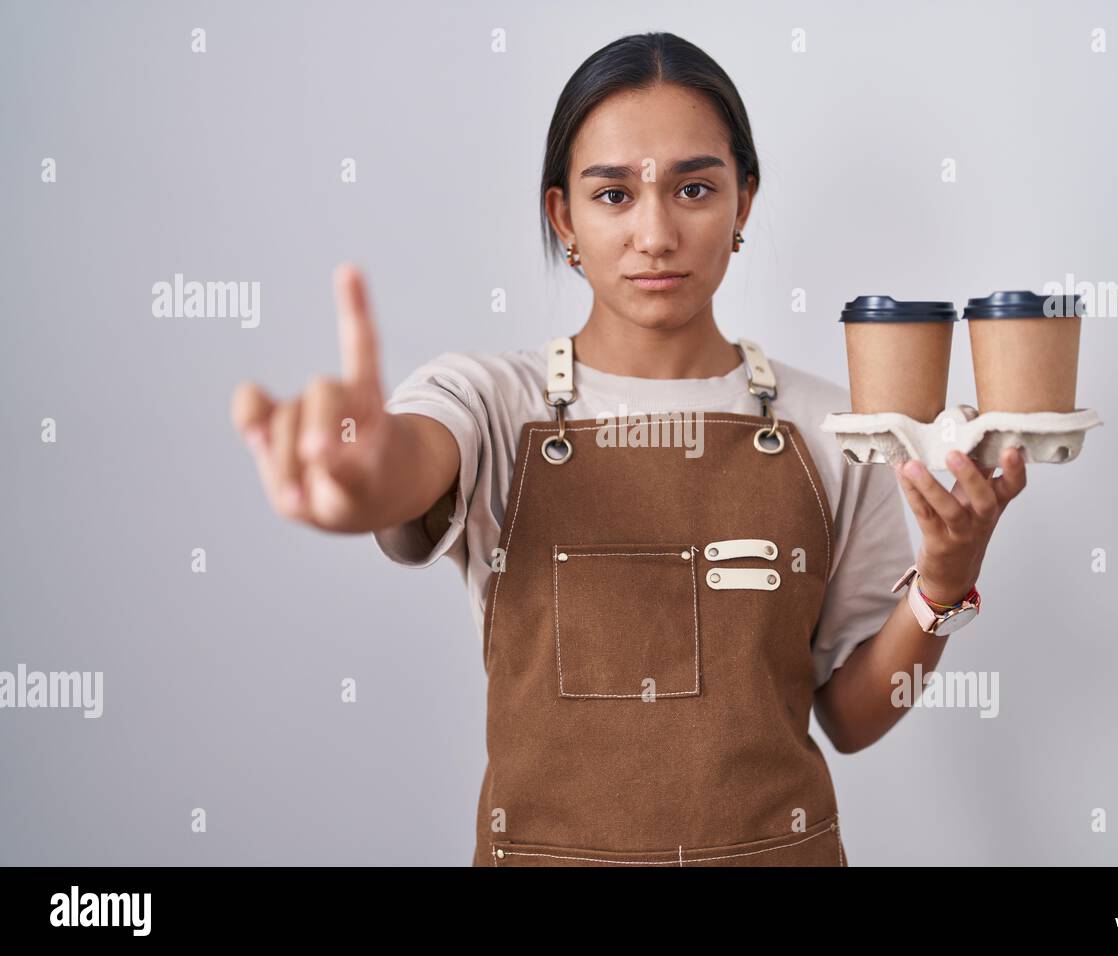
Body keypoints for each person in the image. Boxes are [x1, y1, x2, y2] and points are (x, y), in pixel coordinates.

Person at [230, 31, 1025, 867]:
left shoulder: (836, 429)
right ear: (562, 214)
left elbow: (852, 718)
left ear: (743, 203)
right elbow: (405, 465)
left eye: (693, 188)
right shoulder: (494, 404)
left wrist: (941, 585)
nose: (655, 233)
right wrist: (357, 474)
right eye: (613, 195)